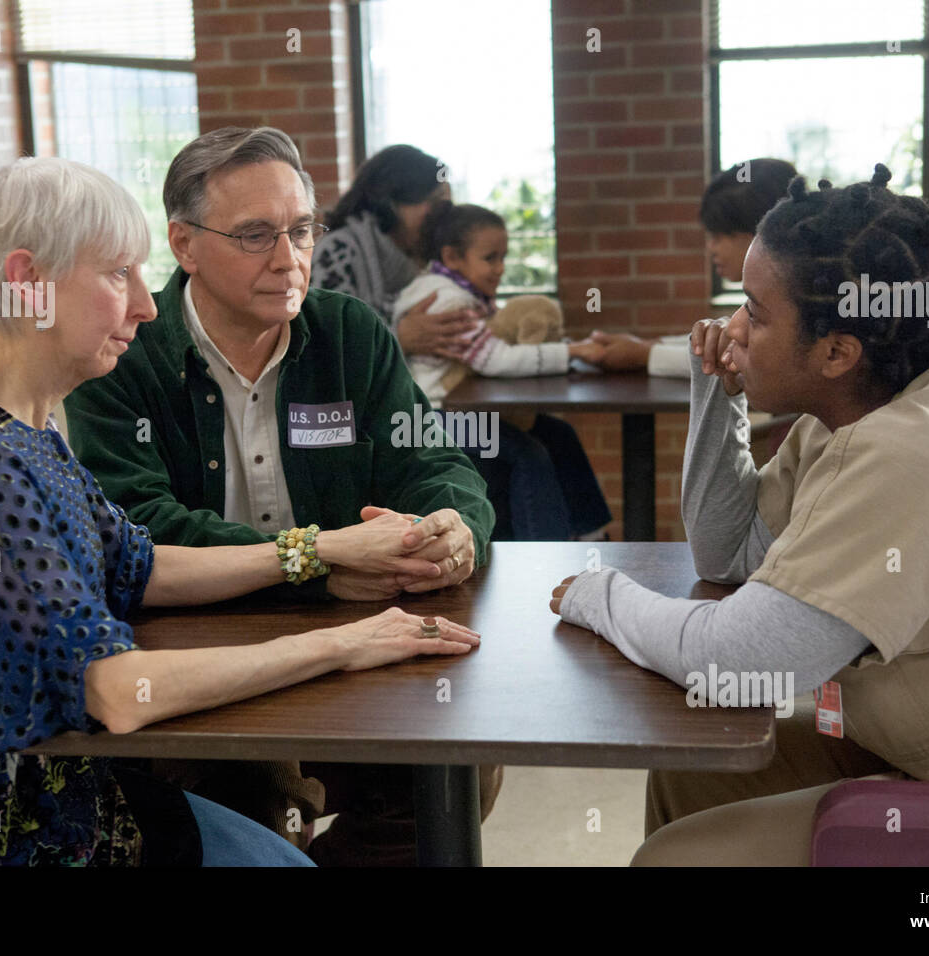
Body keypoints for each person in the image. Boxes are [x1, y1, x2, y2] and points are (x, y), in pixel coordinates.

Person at [0, 155, 482, 866]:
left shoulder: (18, 418)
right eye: (118, 274)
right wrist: (344, 643)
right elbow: (116, 691)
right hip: (11, 830)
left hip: (61, 785)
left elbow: (139, 564)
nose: (146, 305)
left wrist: (320, 551)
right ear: (29, 282)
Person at [549, 164, 929, 866]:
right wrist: (716, 391)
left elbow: (738, 662)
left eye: (755, 311)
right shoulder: (854, 414)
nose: (733, 326)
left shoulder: (909, 453)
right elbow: (730, 553)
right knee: (692, 773)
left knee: (677, 858)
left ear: (837, 352)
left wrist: (601, 595)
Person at [63, 126, 500, 865]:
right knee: (248, 800)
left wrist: (453, 527)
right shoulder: (128, 351)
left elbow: (435, 462)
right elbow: (138, 529)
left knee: (451, 770)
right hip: (198, 659)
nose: (289, 259)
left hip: (349, 640)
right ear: (185, 243)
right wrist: (321, 566)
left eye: (301, 230)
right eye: (256, 235)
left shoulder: (349, 334)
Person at [392, 200, 611, 541]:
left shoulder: (451, 291)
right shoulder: (448, 302)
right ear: (452, 258)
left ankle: (592, 535)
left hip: (443, 415)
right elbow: (496, 360)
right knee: (527, 452)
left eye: (503, 257)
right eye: (490, 258)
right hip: (430, 422)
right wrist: (571, 351)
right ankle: (546, 556)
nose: (500, 268)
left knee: (558, 432)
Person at [590, 158, 799, 374]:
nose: (711, 248)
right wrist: (648, 345)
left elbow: (733, 356)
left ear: (756, 233)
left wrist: (642, 353)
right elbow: (721, 343)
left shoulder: (789, 302)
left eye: (718, 236)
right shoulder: (770, 293)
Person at [310, 144, 479, 365]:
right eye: (435, 201)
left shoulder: (427, 254)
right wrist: (398, 338)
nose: (444, 213)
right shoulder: (339, 251)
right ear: (392, 203)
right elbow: (322, 343)